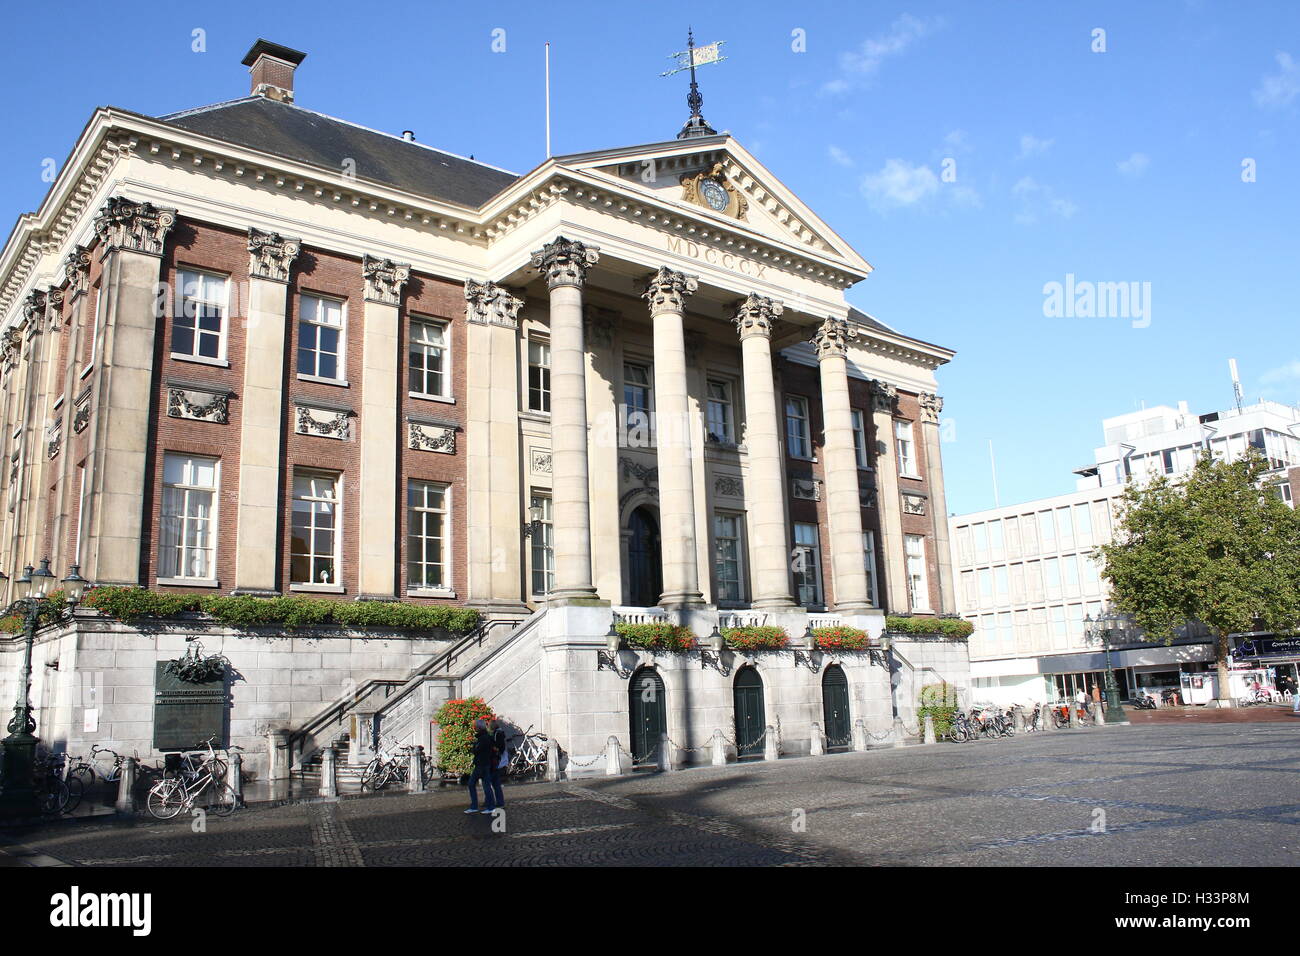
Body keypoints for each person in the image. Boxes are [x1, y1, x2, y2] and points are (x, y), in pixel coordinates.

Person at [465, 718, 497, 815]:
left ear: (479, 727)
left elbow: (476, 750)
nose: (474, 728)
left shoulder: (483, 738)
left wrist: (474, 747)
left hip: (481, 764)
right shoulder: (486, 736)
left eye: (475, 726)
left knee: (472, 784)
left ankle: (475, 806)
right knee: (486, 785)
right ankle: (490, 806)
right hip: (485, 764)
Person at [488, 719, 508, 809]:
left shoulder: (497, 734)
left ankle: (493, 801)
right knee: (493, 782)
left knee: (491, 782)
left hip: (496, 760)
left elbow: (500, 747)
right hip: (496, 760)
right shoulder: (498, 733)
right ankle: (496, 801)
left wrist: (494, 750)